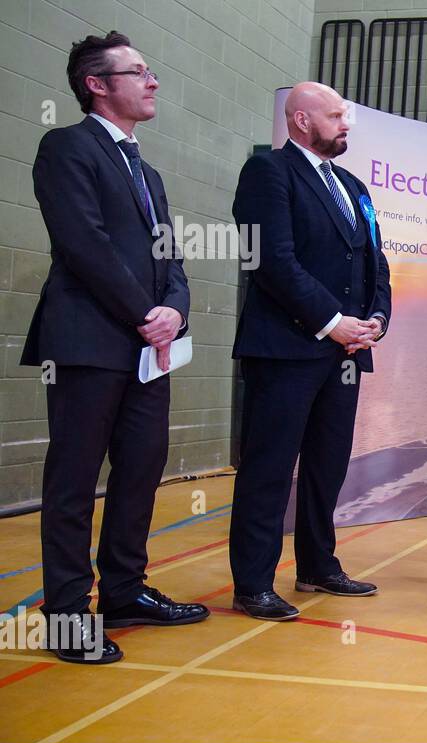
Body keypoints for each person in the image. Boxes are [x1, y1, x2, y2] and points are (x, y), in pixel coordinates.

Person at [22, 31, 206, 663]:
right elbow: (85, 244)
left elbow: (170, 259)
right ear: (97, 85)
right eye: (138, 72)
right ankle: (68, 615)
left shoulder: (147, 171)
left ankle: (125, 591)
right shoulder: (66, 147)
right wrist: (144, 316)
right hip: (89, 342)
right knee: (73, 482)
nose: (152, 82)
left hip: (146, 351)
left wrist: (174, 311)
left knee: (140, 471)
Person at [228, 82, 392, 620]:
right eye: (337, 115)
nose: (347, 124)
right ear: (300, 120)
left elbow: (375, 263)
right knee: (269, 468)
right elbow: (271, 261)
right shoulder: (268, 173)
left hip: (344, 354)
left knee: (327, 466)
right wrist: (331, 322)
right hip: (286, 350)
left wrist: (375, 320)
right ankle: (253, 583)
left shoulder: (352, 185)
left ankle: (319, 566)